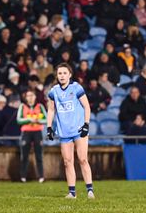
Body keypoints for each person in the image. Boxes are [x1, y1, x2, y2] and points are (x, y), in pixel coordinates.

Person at [45, 63, 94, 199]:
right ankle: (72, 193)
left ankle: (90, 190)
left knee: (83, 159)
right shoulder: (53, 91)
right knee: (67, 162)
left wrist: (86, 124)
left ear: (70, 75)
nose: (62, 76)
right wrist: (49, 127)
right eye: (59, 73)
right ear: (57, 75)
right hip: (64, 132)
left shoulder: (76, 88)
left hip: (79, 130)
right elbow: (51, 109)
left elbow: (87, 106)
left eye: (64, 73)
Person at [17, 90, 47, 183]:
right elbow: (18, 120)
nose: (30, 97)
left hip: (38, 132)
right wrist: (29, 119)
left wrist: (38, 121)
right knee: (24, 156)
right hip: (26, 132)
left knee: (39, 155)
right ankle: (23, 177)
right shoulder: (22, 106)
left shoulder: (40, 106)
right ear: (25, 97)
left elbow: (46, 119)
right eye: (28, 95)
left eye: (32, 95)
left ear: (35, 96)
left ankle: (41, 177)